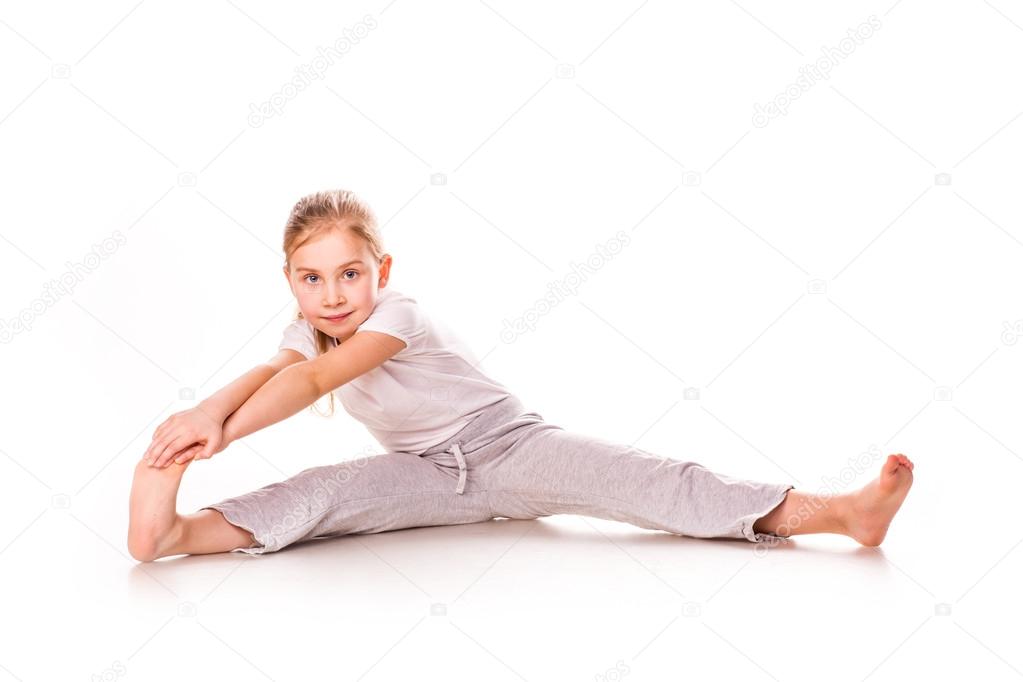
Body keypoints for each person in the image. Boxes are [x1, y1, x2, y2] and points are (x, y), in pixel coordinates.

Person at [127, 189, 915, 562]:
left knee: (650, 482)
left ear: (380, 270)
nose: (332, 296)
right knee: (322, 495)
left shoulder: (395, 316)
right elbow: (275, 369)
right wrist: (205, 417)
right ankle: (174, 533)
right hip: (427, 473)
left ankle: (839, 513)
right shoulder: (304, 331)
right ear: (291, 282)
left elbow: (302, 388)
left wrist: (217, 430)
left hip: (505, 446)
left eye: (347, 275)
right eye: (311, 278)